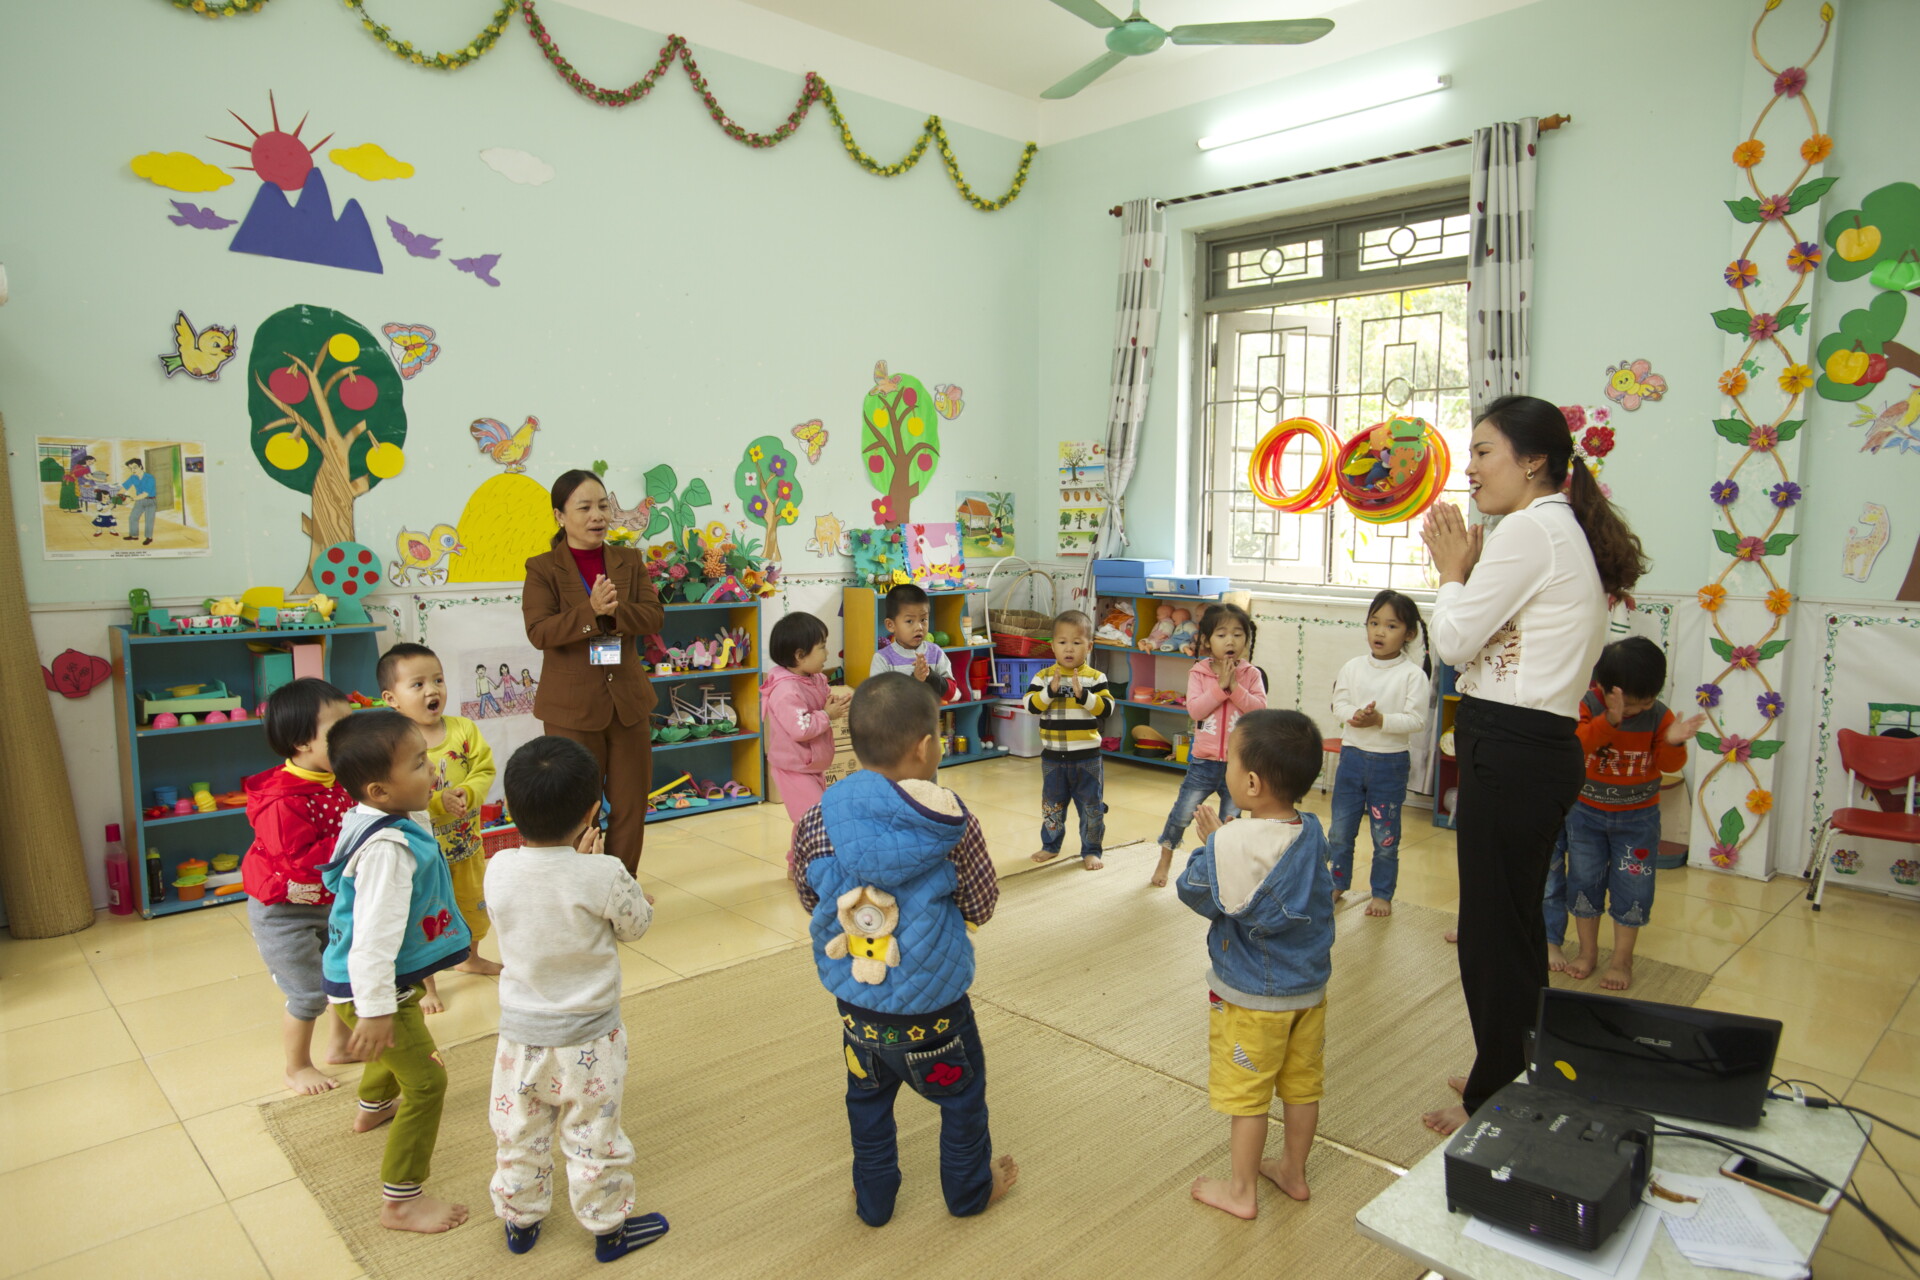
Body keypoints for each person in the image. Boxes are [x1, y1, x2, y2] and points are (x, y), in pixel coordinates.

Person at [1418, 393, 1648, 1136]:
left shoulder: (1528, 532)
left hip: (1513, 747)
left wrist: (1452, 569)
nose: (1472, 467)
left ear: (1534, 460)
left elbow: (1453, 643)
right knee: (1509, 929)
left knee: (1495, 933)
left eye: (1485, 451)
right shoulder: (1552, 531)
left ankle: (1495, 1098)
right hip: (1525, 747)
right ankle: (1505, 1067)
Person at [789, 674, 1019, 1227]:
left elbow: (806, 891)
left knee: (866, 1104)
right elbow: (981, 904)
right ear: (925, 747)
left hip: (859, 1008)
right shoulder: (952, 822)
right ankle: (968, 1193)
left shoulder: (819, 816)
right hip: (936, 1012)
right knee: (962, 1103)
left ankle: (874, 1201)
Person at [485, 737, 670, 1262]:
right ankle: (608, 1229)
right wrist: (614, 882)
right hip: (591, 1036)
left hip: (520, 1035)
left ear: (513, 810)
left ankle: (519, 1222)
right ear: (594, 812)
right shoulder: (604, 873)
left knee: (519, 1130)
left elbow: (530, 911)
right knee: (594, 1134)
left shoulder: (497, 868)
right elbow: (634, 927)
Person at [1175, 709, 1332, 1219]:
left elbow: (1196, 892)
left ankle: (1241, 1191)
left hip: (1252, 999)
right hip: (1309, 991)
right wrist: (1226, 839)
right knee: (1301, 1085)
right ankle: (1293, 1170)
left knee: (1248, 1094)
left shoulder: (1232, 840)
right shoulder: (1310, 830)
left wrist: (1212, 845)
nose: (1225, 771)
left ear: (1252, 782)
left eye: (1231, 762)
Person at [321, 710, 473, 1234]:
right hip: (373, 982)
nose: (431, 768)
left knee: (394, 1046)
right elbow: (372, 943)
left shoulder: (376, 815)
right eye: (417, 763)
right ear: (379, 790)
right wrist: (376, 1008)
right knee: (428, 1081)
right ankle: (401, 1200)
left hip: (370, 980)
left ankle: (372, 1106)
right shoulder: (388, 850)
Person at [523, 469, 664, 874]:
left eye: (603, 505)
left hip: (628, 704)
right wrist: (590, 612)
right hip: (571, 708)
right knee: (576, 805)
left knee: (631, 802)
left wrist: (615, 612)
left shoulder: (629, 560)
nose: (597, 515)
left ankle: (622, 887)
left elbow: (654, 617)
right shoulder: (542, 568)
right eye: (584, 507)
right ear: (559, 516)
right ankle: (581, 888)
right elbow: (539, 631)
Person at [1546, 637, 1703, 991]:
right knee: (1584, 883)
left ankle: (1621, 960)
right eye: (1630, 705)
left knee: (1633, 887)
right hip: (1585, 814)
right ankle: (1588, 953)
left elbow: (1666, 764)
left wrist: (1675, 741)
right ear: (1603, 688)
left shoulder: (1658, 715)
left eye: (1646, 702)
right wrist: (1611, 721)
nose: (1638, 710)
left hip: (1638, 820)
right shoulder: (1585, 706)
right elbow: (1579, 745)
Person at [242, 678, 357, 1095]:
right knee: (308, 992)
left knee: (343, 975)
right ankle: (296, 1067)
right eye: (337, 730)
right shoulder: (281, 799)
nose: (351, 738)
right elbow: (301, 861)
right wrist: (356, 837)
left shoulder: (337, 776)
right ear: (301, 743)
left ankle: (341, 1048)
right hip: (283, 910)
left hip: (329, 901)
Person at [379, 642, 502, 1015]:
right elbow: (396, 798)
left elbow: (484, 769)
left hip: (467, 845)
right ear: (391, 698)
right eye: (417, 684)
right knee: (427, 916)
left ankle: (471, 957)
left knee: (473, 906)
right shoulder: (394, 743)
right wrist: (436, 803)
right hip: (424, 856)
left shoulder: (464, 729)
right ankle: (427, 983)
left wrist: (468, 790)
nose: (432, 690)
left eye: (438, 680)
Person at [1328, 590, 1432, 916]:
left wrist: (1380, 720)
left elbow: (1416, 720)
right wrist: (1353, 715)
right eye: (1374, 623)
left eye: (1390, 626)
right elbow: (1339, 704)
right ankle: (1336, 882)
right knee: (1340, 831)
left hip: (1390, 763)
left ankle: (1382, 893)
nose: (1379, 632)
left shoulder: (1413, 675)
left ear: (1409, 634)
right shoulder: (1353, 667)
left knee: (1385, 835)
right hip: (1352, 758)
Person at [1152, 603, 1268, 888]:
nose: (1230, 641)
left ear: (1246, 640)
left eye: (1238, 635)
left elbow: (1259, 711)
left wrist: (1234, 687)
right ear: (1206, 640)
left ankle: (1225, 867)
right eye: (1221, 634)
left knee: (1231, 821)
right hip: (1204, 763)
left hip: (1239, 765)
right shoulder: (1199, 673)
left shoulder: (1251, 674)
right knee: (1182, 814)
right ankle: (1165, 857)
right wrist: (1220, 687)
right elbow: (1196, 710)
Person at [762, 610, 852, 868]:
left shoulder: (814, 678)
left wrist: (830, 703)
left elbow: (818, 704)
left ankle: (795, 864)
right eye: (822, 648)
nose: (827, 654)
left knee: (808, 817)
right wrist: (826, 714)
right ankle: (808, 866)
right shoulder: (785, 690)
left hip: (811, 764)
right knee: (815, 817)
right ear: (800, 656)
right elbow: (800, 727)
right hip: (794, 767)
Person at [1025, 610, 1113, 871]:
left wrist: (1083, 695)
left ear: (1089, 646)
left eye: (1077, 642)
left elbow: (1107, 709)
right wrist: (1049, 692)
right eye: (1062, 642)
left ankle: (1091, 849)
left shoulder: (1096, 678)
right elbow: (1030, 706)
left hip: (1087, 758)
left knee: (1091, 808)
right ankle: (1051, 845)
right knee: (1052, 806)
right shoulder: (1042, 678)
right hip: (1052, 757)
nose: (1069, 648)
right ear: (1052, 646)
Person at [869, 583, 951, 698]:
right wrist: (915, 680)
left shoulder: (935, 652)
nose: (919, 627)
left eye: (923, 619)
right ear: (891, 625)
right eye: (909, 621)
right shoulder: (883, 659)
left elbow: (950, 693)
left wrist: (930, 676)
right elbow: (879, 699)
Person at [120, 458, 158, 544]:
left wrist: (131, 499)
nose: (133, 470)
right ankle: (134, 536)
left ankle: (149, 538)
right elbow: (124, 487)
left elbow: (145, 494)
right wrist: (119, 495)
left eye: (135, 467)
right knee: (133, 517)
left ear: (141, 466)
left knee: (149, 520)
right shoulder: (133, 477)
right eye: (131, 468)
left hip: (150, 501)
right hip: (139, 501)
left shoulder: (150, 477)